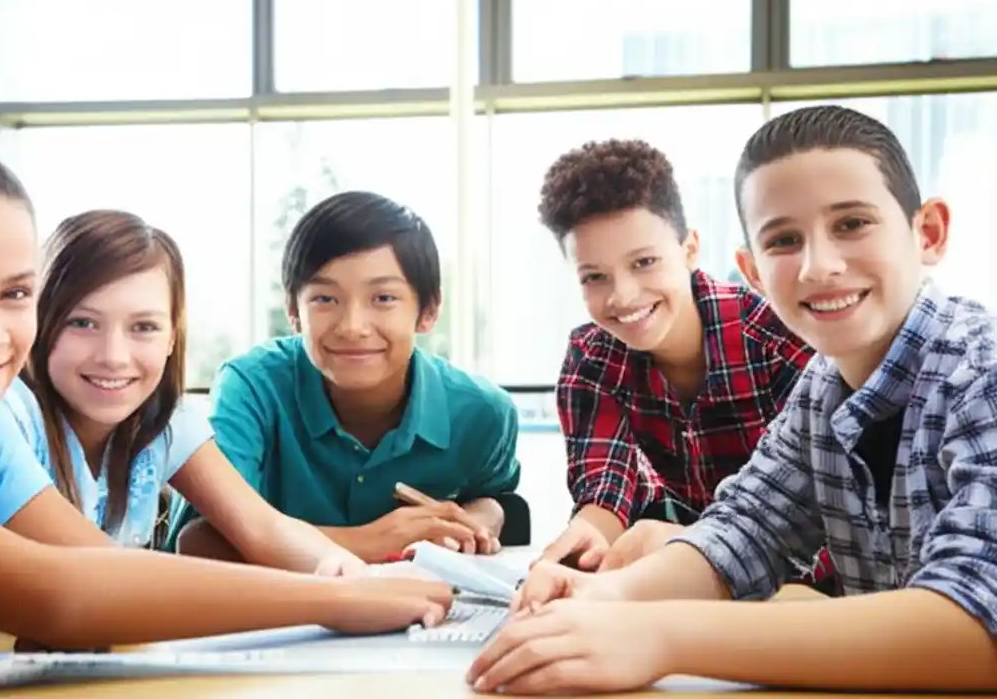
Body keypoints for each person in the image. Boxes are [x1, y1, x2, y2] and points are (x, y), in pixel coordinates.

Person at [0, 138, 451, 698]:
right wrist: (338, 599)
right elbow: (57, 592)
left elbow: (100, 573)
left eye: (13, 295)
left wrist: (345, 590)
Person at [466, 106, 997, 695]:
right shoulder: (821, 389)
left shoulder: (982, 369)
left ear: (929, 233)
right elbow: (745, 530)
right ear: (754, 271)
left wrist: (659, 635)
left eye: (852, 224)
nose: (820, 265)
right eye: (784, 240)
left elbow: (978, 621)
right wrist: (601, 596)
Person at [168, 190, 525, 562]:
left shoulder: (483, 412)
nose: (352, 327)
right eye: (325, 299)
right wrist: (372, 541)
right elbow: (200, 543)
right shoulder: (252, 387)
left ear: (429, 310)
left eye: (383, 298)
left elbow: (498, 498)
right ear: (293, 310)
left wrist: (478, 518)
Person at [0, 209, 364, 572]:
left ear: (172, 336)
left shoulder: (165, 420)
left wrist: (352, 573)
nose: (113, 357)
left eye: (143, 327)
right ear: (39, 321)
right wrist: (334, 599)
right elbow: (105, 577)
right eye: (83, 323)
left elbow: (264, 528)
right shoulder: (8, 417)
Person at [533, 138, 823, 579]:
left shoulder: (778, 339)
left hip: (805, 594)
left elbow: (822, 514)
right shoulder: (592, 357)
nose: (623, 296)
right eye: (594, 276)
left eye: (645, 262)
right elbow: (606, 484)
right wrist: (587, 537)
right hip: (694, 583)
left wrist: (686, 544)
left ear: (689, 250)